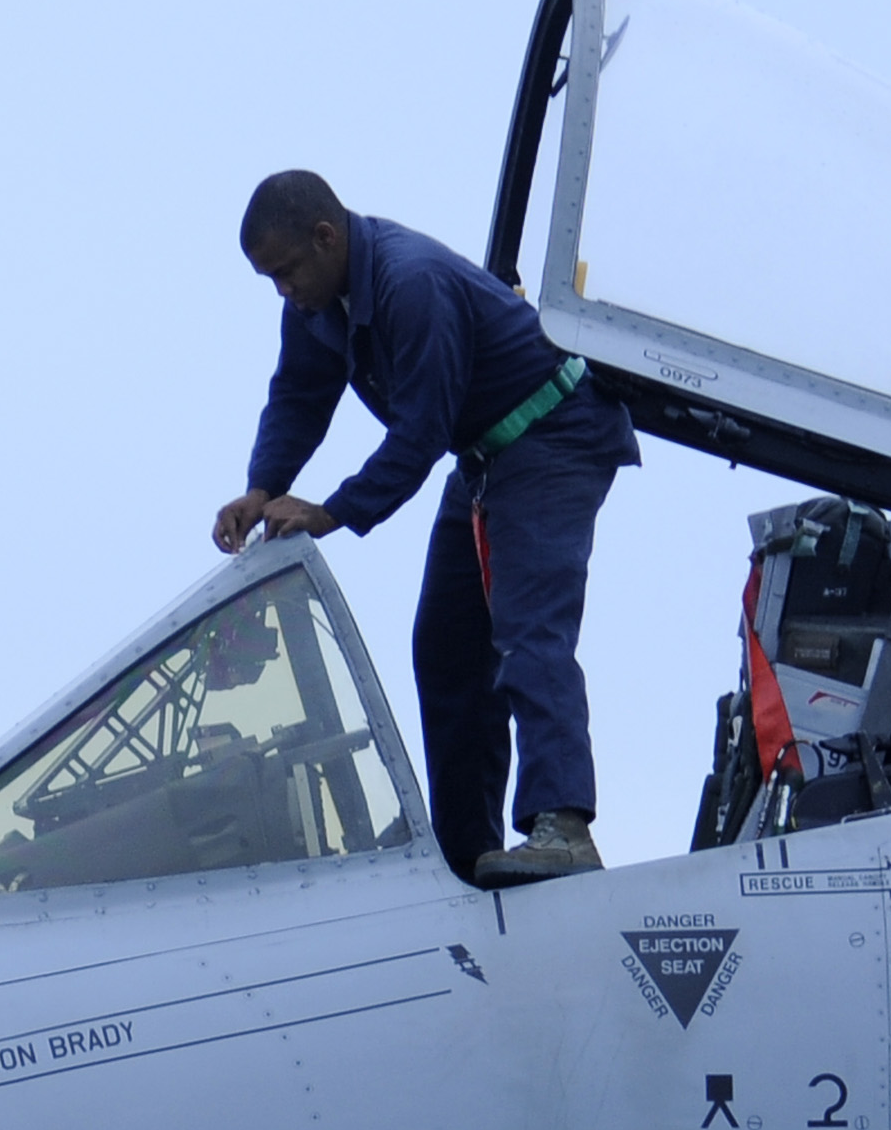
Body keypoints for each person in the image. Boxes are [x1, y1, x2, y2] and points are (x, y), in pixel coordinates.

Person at [211, 170, 638, 887]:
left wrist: (331, 511)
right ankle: (466, 857)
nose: (283, 290)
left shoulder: (411, 284)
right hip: (486, 454)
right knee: (446, 645)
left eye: (286, 271)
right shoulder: (316, 302)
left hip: (552, 434)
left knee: (528, 629)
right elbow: (299, 394)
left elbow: (421, 432)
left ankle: (563, 827)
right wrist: (263, 488)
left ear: (326, 237)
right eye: (269, 280)